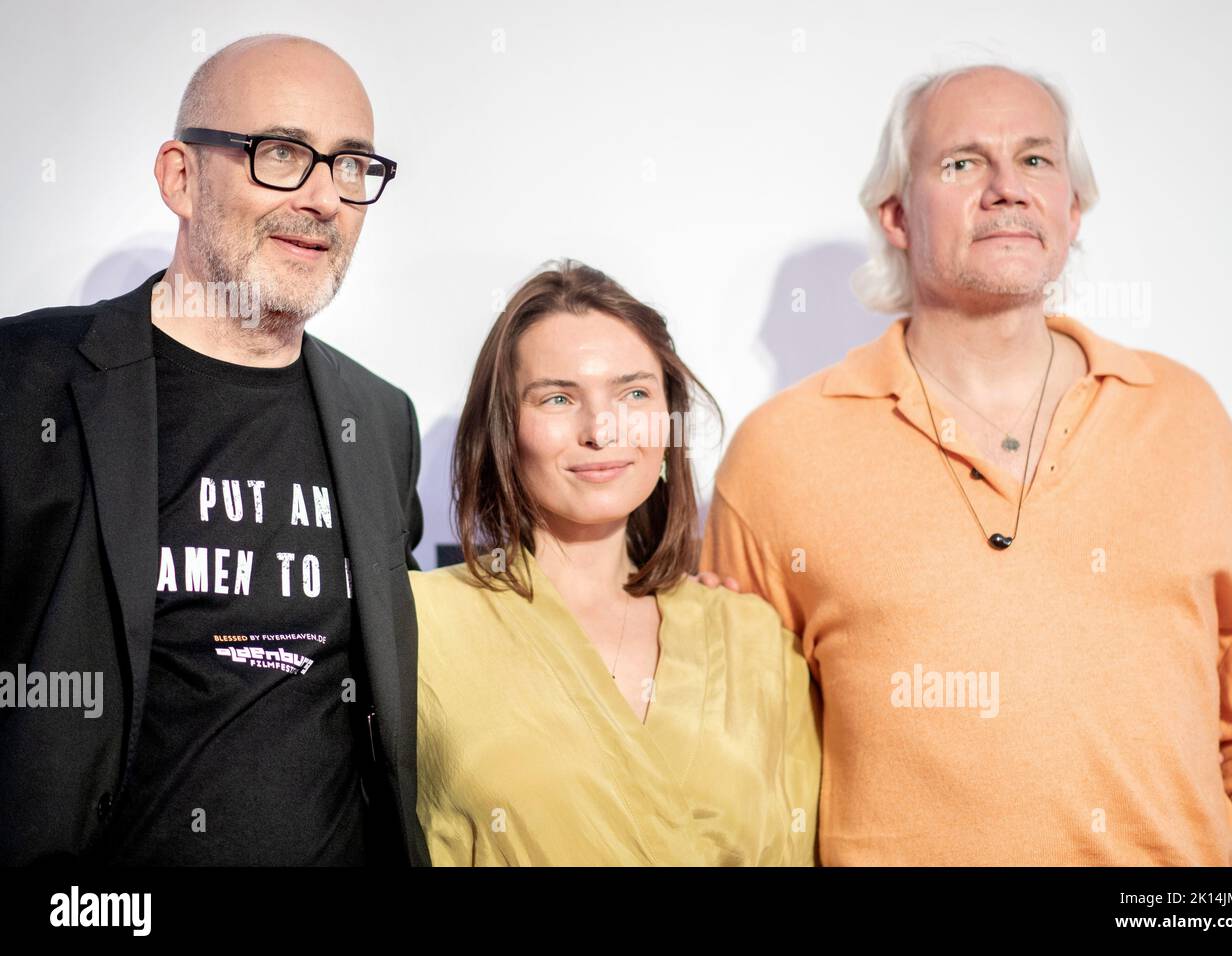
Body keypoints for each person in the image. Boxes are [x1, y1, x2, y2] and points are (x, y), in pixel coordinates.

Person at [701, 63, 1232, 865]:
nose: (1007, 188)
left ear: (1071, 208)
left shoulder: (1183, 414)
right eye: (962, 163)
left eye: (1036, 160)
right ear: (896, 214)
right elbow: (747, 770)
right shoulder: (780, 452)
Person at [0, 34, 428, 865]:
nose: (323, 199)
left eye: (351, 166)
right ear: (180, 177)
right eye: (281, 153)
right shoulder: (23, 385)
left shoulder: (380, 420)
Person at [411, 260, 821, 865]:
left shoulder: (753, 638)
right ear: (504, 429)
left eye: (633, 393)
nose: (601, 430)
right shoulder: (422, 625)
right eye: (557, 397)